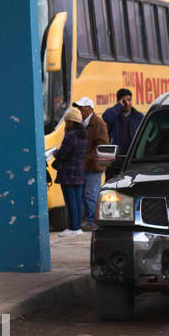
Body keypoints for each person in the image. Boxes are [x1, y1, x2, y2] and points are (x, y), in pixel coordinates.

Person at [76, 96, 109, 230]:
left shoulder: (99, 123)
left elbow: (102, 145)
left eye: (81, 108)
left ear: (89, 109)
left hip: (94, 166)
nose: (79, 110)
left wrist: (87, 157)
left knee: (90, 194)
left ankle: (93, 221)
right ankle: (90, 220)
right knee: (85, 194)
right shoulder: (81, 123)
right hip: (85, 165)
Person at [53, 107, 87, 235]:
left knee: (70, 201)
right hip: (79, 172)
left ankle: (72, 227)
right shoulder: (83, 135)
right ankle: (77, 227)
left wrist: (55, 152)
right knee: (78, 201)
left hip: (68, 173)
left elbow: (63, 153)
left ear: (72, 121)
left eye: (67, 121)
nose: (66, 124)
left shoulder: (70, 136)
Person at [102, 88, 144, 156]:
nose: (127, 103)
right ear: (119, 102)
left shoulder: (138, 116)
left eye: (129, 100)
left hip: (133, 155)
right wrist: (118, 106)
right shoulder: (114, 114)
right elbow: (106, 118)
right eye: (124, 101)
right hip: (117, 155)